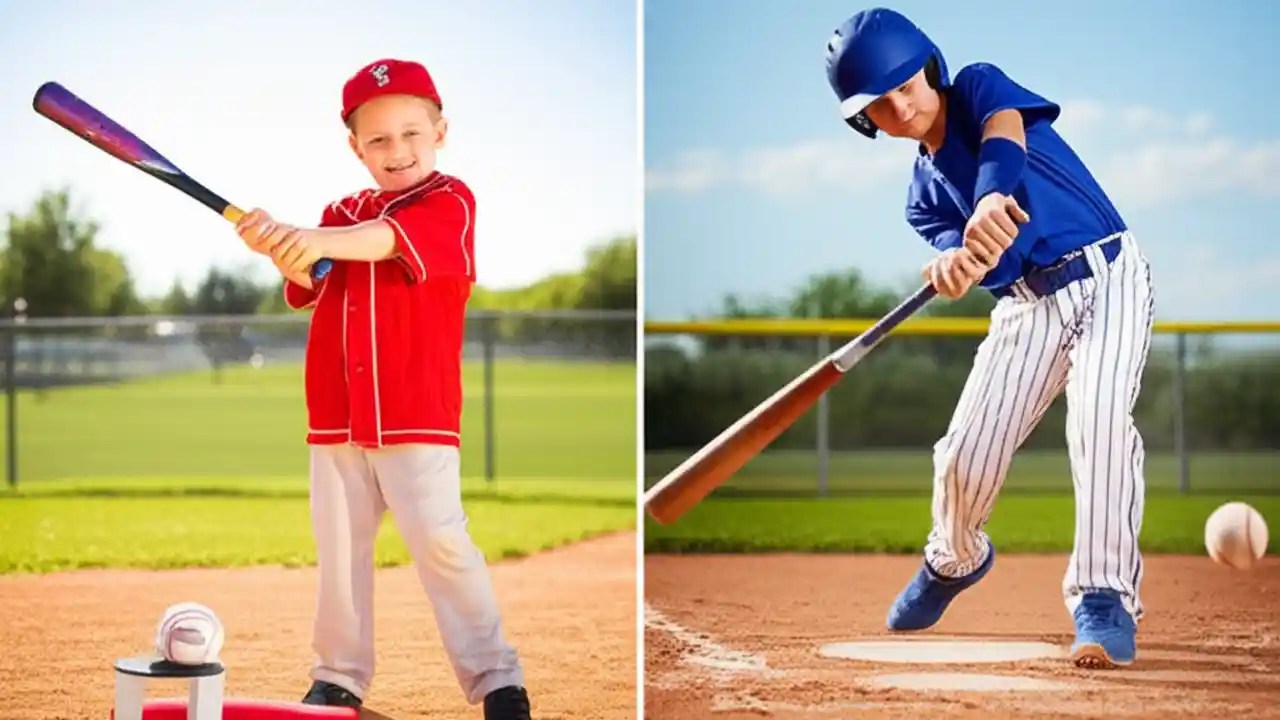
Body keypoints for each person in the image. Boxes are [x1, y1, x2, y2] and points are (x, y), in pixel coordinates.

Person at [824, 8, 1156, 669]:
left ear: (929, 68)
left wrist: (988, 198)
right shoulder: (921, 198)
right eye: (880, 103)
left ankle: (1103, 598)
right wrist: (951, 265)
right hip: (1027, 306)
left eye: (906, 84)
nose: (901, 104)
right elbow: (972, 258)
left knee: (1098, 422)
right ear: (865, 121)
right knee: (961, 457)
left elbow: (1006, 136)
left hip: (1109, 274)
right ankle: (953, 561)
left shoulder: (977, 89)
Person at [234, 58, 532, 718]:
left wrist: (311, 237)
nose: (397, 150)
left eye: (411, 133)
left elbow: (381, 242)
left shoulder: (449, 201)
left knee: (442, 546)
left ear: (440, 131)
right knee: (340, 555)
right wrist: (277, 244)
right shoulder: (339, 212)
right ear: (355, 147)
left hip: (414, 417)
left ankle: (497, 680)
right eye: (377, 139)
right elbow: (310, 274)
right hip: (336, 419)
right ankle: (338, 676)